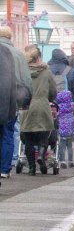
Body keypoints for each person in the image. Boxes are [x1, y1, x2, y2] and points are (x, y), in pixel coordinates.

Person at [0, 27, 31, 181]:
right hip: (11, 99)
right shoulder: (17, 54)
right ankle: (7, 166)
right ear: (10, 37)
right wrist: (25, 99)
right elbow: (25, 79)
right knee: (10, 134)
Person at [21, 46, 56, 175]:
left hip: (27, 106)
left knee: (28, 139)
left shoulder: (23, 72)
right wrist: (49, 99)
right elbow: (53, 91)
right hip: (42, 106)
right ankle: (41, 155)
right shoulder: (47, 72)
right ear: (39, 57)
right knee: (43, 135)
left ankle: (31, 168)